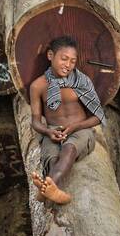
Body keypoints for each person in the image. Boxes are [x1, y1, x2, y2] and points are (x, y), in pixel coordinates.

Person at [28, 36, 105, 205]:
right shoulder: (38, 86)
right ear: (50, 56)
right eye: (64, 59)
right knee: (52, 158)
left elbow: (98, 116)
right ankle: (58, 194)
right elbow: (35, 121)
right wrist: (49, 131)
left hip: (80, 130)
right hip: (54, 130)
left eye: (72, 61)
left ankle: (46, 188)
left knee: (69, 149)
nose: (68, 65)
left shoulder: (81, 82)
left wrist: (75, 126)